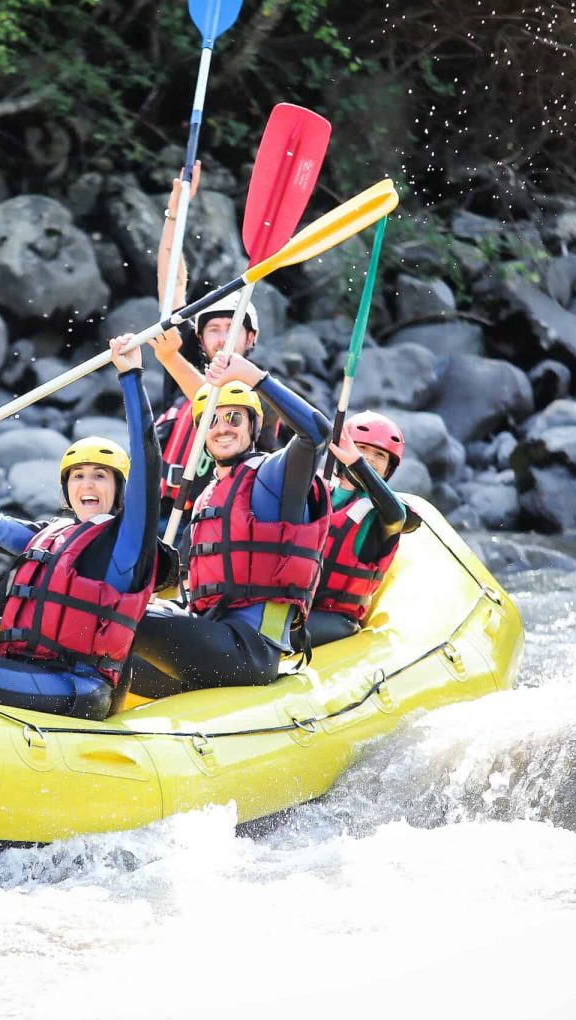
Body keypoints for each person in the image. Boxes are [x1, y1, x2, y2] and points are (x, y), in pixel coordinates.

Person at [0, 336, 160, 720]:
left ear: (121, 489)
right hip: (31, 672)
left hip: (79, 686)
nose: (88, 485)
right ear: (66, 488)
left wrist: (130, 376)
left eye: (100, 476)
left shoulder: (125, 544)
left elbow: (148, 463)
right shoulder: (50, 536)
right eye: (78, 476)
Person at [128, 351, 331, 696]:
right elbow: (204, 592)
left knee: (120, 616)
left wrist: (256, 378)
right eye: (212, 421)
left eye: (234, 418)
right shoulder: (208, 496)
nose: (222, 428)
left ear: (253, 426)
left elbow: (317, 434)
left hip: (250, 651)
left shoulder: (273, 476)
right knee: (105, 654)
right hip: (213, 641)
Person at [150, 164, 275, 519]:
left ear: (251, 339)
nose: (222, 339)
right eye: (213, 330)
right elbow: (171, 286)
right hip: (159, 516)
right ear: (201, 339)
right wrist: (176, 214)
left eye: (231, 329)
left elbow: (214, 400)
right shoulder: (183, 354)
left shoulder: (263, 387)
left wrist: (171, 360)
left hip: (216, 521)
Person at [306, 411, 412, 647]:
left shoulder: (384, 514)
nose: (370, 459)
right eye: (361, 448)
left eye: (380, 455)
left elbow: (397, 515)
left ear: (388, 470)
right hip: (295, 606)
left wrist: (356, 463)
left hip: (334, 618)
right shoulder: (316, 493)